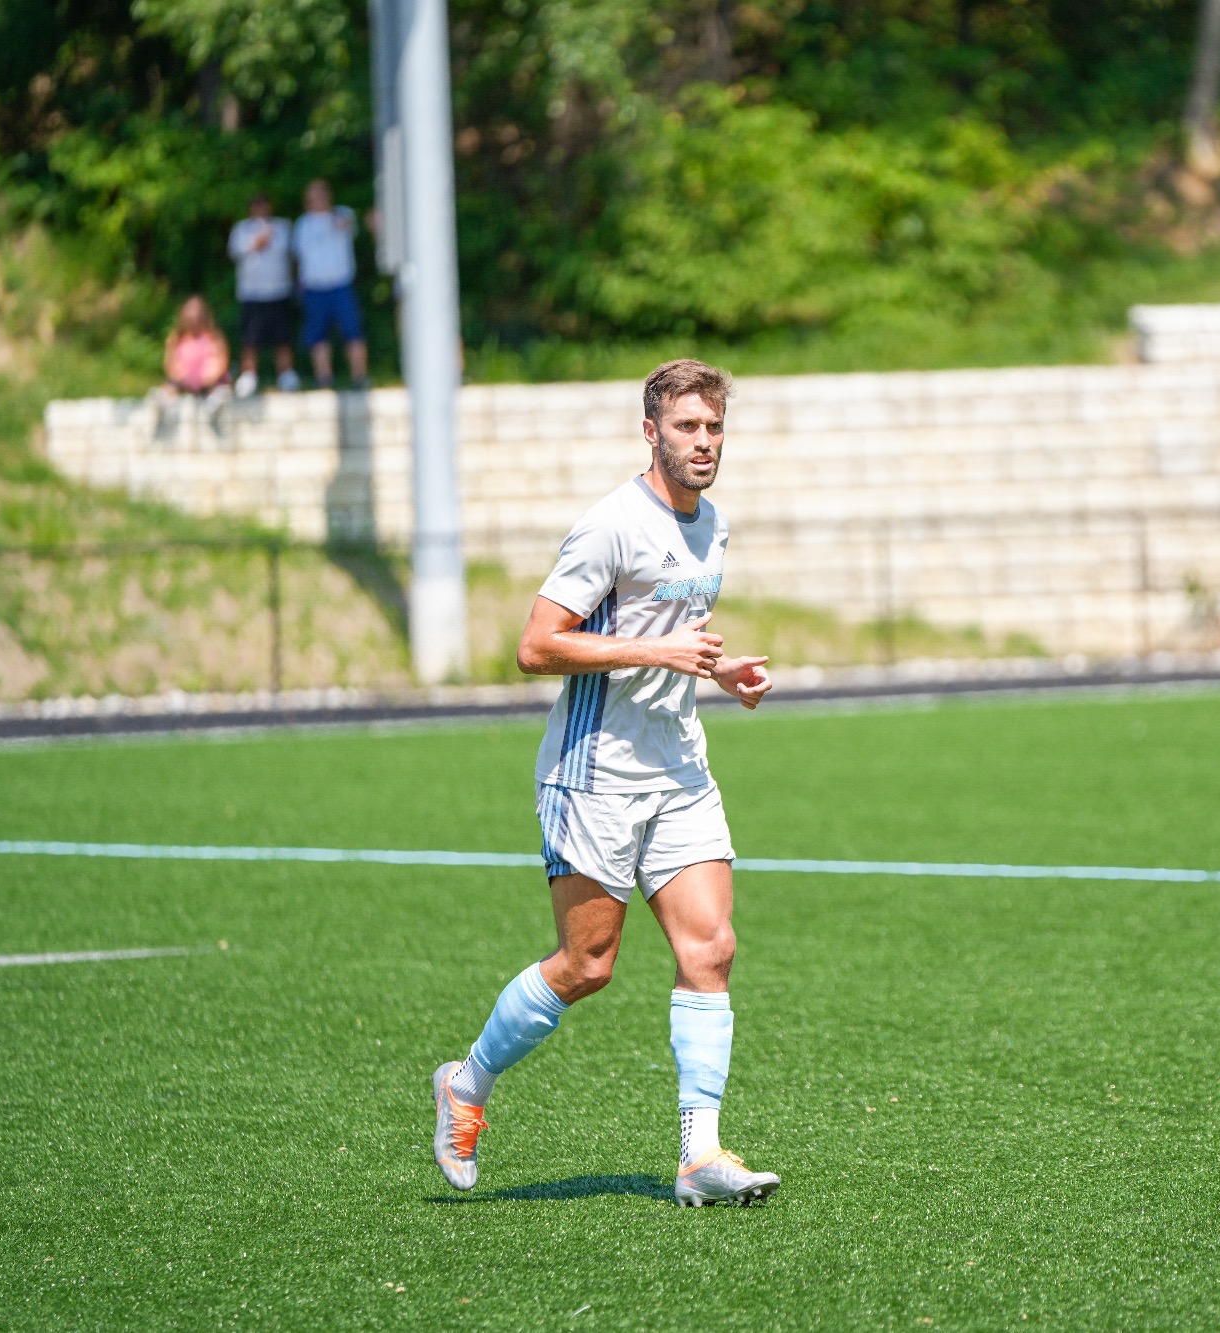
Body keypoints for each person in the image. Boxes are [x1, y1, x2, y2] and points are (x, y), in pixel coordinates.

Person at [432, 359, 780, 1208]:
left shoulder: (714, 526)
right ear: (651, 431)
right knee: (588, 964)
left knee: (712, 949)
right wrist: (656, 653)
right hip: (595, 776)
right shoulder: (610, 527)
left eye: (714, 428)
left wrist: (719, 670)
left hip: (679, 766)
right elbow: (536, 645)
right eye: (688, 427)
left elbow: (670, 630)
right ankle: (466, 1082)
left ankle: (699, 1154)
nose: (704, 443)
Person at [290, 178, 369, 390]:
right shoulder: (302, 224)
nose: (317, 199)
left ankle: (359, 377)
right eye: (313, 195)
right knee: (317, 334)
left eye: (321, 194)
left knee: (353, 330)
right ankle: (324, 378)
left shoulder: (342, 213)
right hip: (314, 288)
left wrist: (331, 213)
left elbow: (348, 226)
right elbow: (298, 257)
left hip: (341, 285)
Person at [226, 193, 298, 396]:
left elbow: (287, 251)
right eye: (255, 205)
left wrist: (266, 239)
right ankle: (249, 376)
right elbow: (236, 252)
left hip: (278, 291)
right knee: (250, 338)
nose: (260, 209)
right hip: (251, 293)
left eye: (263, 204)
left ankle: (286, 374)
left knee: (282, 336)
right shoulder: (241, 229)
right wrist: (256, 242)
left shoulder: (282, 227)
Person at [161, 295, 230, 398]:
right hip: (182, 384)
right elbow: (171, 364)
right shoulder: (176, 339)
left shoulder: (214, 337)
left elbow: (220, 363)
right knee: (166, 391)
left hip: (211, 384)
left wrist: (206, 379)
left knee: (221, 393)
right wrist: (184, 378)